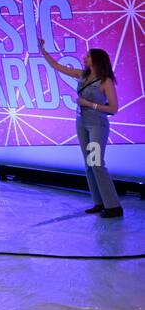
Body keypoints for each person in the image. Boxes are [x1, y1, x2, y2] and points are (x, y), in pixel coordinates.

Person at [40, 44, 122, 218]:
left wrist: (89, 104)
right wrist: (44, 51)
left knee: (97, 163)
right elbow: (57, 66)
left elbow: (114, 108)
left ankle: (113, 206)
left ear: (96, 60)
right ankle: (99, 202)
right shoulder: (83, 76)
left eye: (88, 56)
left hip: (96, 124)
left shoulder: (105, 81)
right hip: (81, 122)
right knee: (89, 164)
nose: (84, 58)